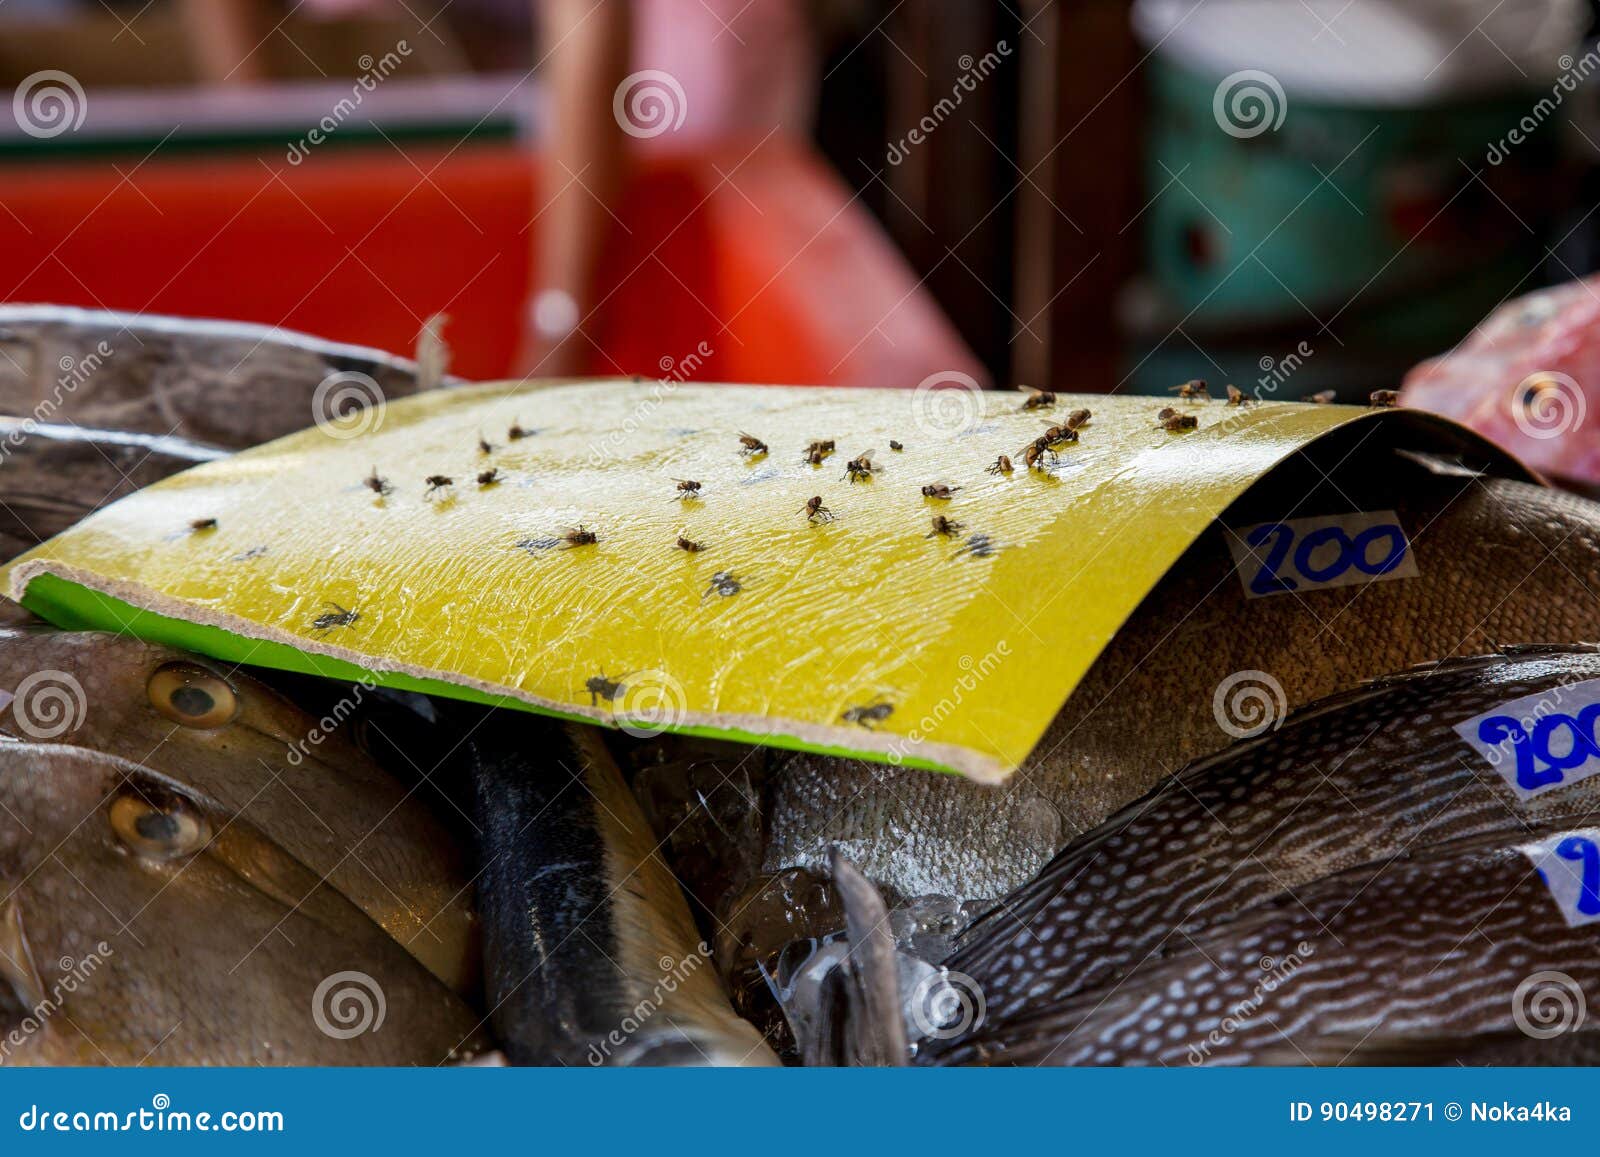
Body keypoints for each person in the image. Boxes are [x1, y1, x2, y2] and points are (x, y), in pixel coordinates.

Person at [180, 0, 815, 377]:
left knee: (686, 176)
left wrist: (562, 328)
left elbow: (590, 27)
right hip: (476, 72)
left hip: (678, 86)